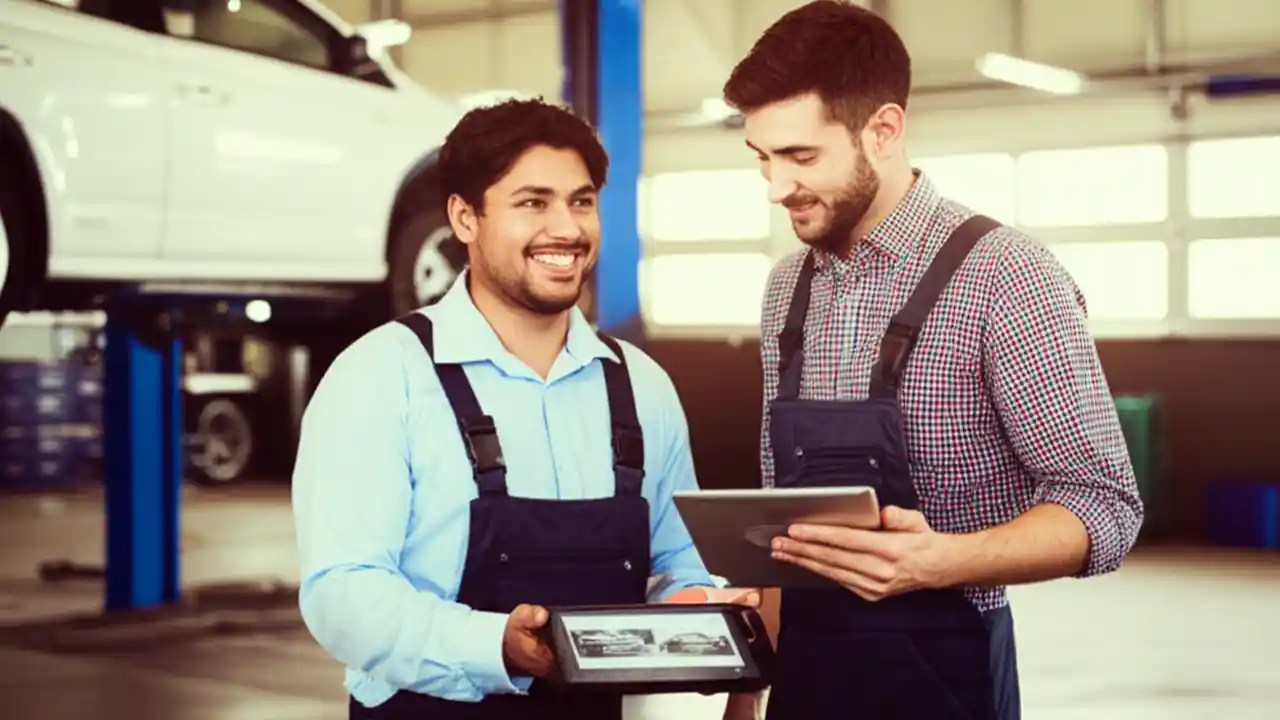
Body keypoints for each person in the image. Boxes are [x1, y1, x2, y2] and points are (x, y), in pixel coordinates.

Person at [718, 3, 1145, 719]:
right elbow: (786, 535)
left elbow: (1105, 506)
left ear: (883, 131)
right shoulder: (787, 288)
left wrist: (940, 560)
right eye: (762, 158)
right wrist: (745, 692)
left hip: (946, 675)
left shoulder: (1007, 275)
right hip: (807, 675)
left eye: (800, 157)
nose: (774, 188)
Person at [291, 98, 755, 720]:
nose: (565, 228)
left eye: (581, 201)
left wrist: (699, 604)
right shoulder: (381, 377)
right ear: (464, 218)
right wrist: (495, 647)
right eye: (533, 202)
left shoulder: (641, 386)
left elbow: (677, 561)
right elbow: (342, 593)